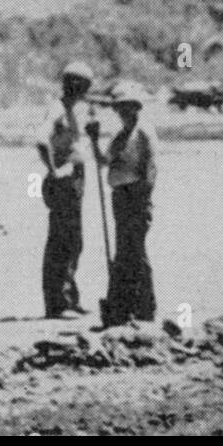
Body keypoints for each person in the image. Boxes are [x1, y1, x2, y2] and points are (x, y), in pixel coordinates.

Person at [88, 81, 158, 327]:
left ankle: (145, 308)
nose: (123, 112)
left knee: (135, 251)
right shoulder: (119, 137)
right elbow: (102, 161)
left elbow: (150, 170)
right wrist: (94, 139)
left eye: (127, 107)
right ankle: (123, 306)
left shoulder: (144, 133)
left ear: (136, 108)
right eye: (119, 108)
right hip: (120, 196)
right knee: (124, 252)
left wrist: (143, 199)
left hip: (136, 197)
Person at [36, 62, 94, 318]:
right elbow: (40, 139)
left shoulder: (75, 110)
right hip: (62, 182)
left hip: (75, 181)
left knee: (74, 241)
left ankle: (69, 297)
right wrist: (54, 170)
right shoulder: (57, 110)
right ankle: (56, 303)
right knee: (61, 240)